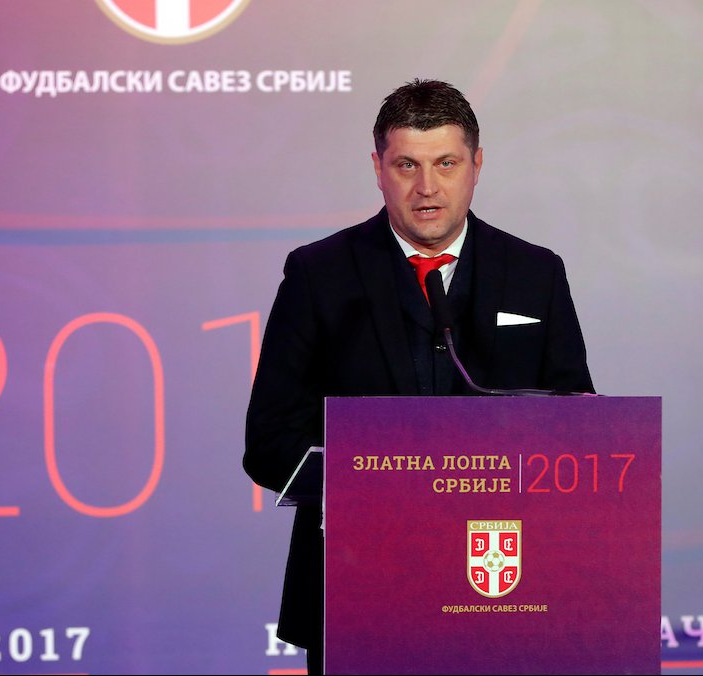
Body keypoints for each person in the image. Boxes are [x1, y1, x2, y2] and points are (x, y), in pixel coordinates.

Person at [243, 78, 594, 675]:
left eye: (446, 163)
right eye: (406, 165)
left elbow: (577, 423)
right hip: (360, 588)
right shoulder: (318, 274)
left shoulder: (536, 272)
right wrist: (375, 482)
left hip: (504, 584)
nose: (426, 187)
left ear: (476, 165)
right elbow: (269, 441)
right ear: (377, 169)